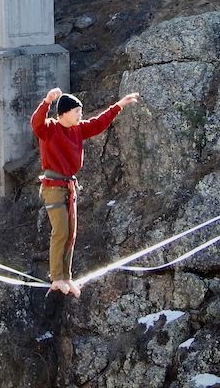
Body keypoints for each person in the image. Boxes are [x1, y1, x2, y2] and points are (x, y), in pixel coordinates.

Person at [32, 86, 140, 297]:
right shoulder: (49, 128)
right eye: (76, 112)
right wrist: (47, 102)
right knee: (61, 230)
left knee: (71, 233)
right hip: (53, 187)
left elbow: (98, 123)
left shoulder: (77, 129)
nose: (80, 115)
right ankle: (56, 278)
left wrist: (119, 105)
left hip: (69, 187)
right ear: (63, 113)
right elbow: (35, 123)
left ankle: (66, 277)